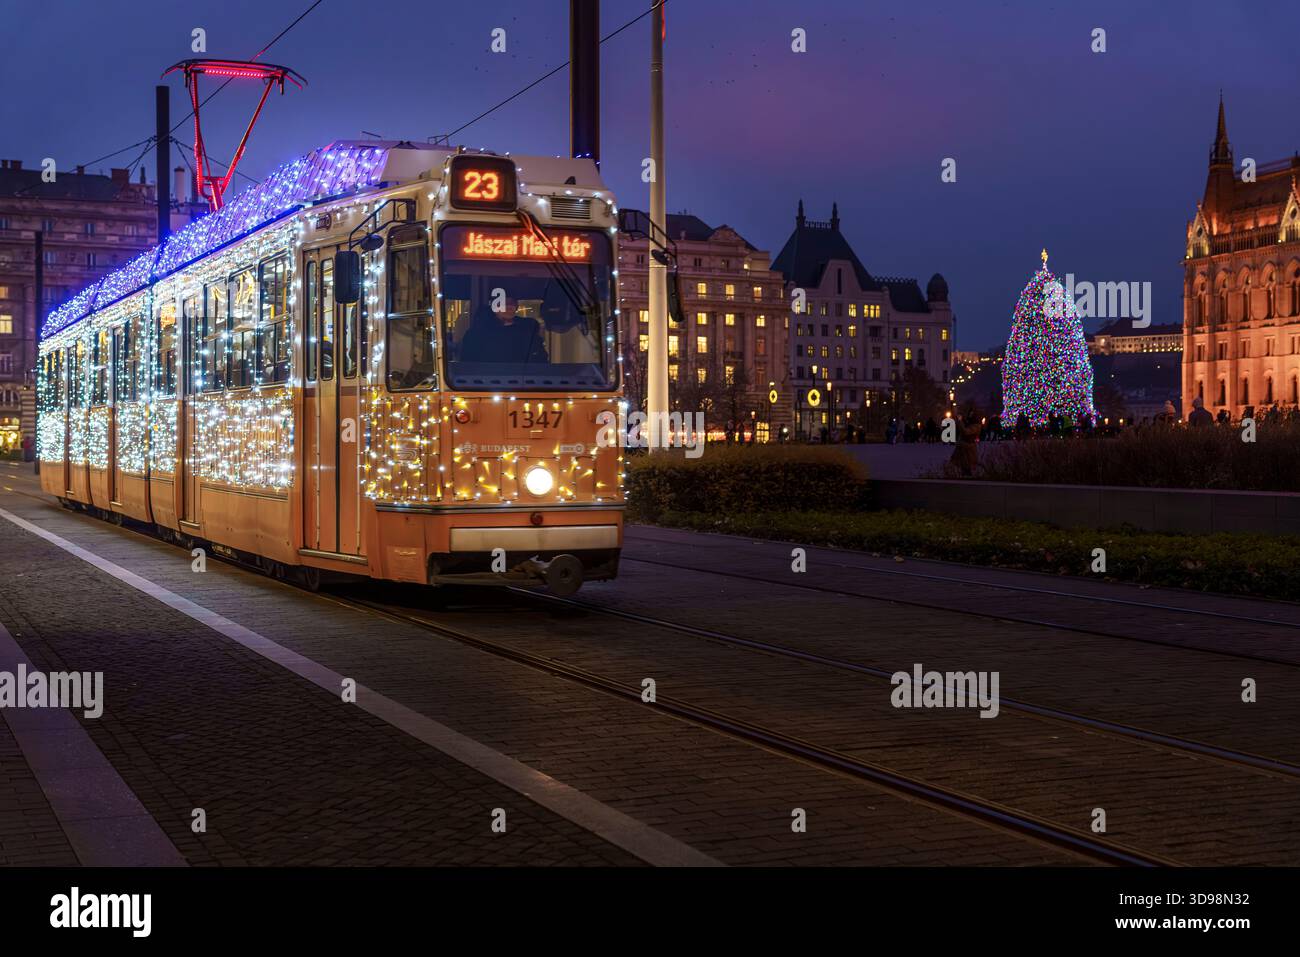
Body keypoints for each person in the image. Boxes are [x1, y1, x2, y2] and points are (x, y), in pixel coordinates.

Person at [459, 297, 548, 365]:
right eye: (503, 303)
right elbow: (467, 364)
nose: (509, 306)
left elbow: (540, 361)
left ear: (516, 306)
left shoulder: (528, 332)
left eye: (512, 303)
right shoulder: (476, 335)